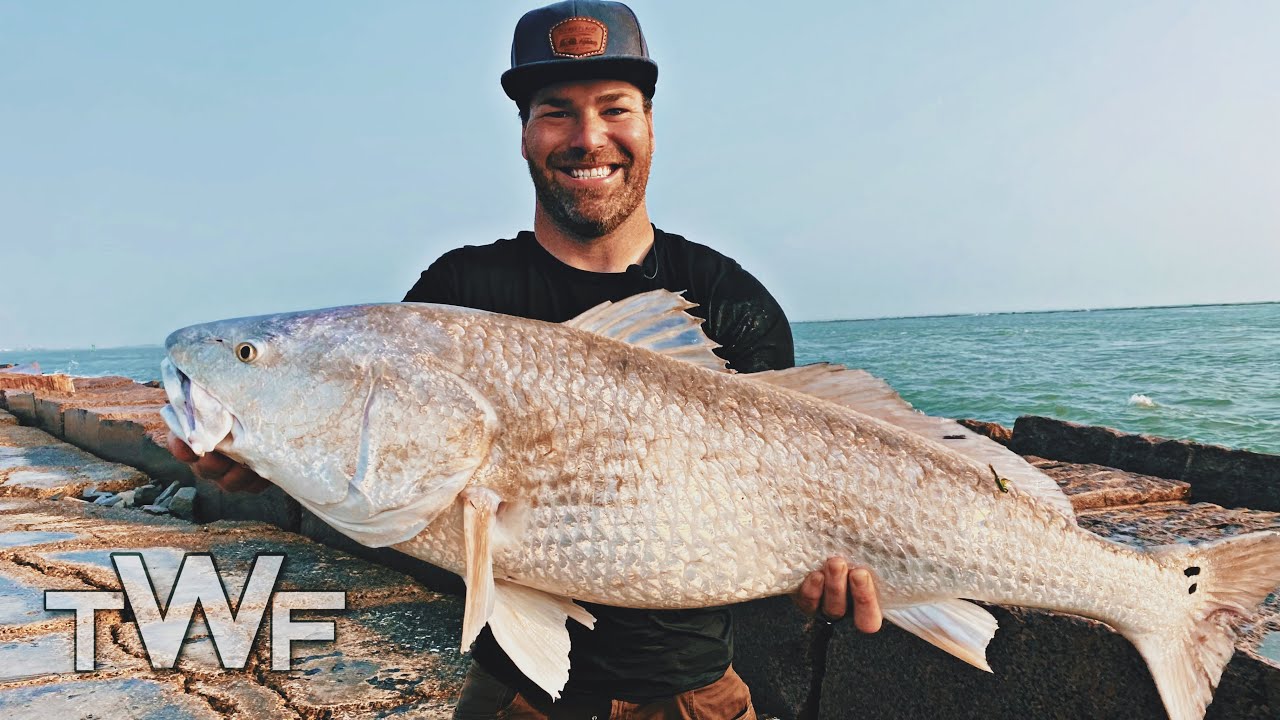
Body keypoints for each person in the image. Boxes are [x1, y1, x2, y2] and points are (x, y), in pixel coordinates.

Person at [168, 2, 882, 717]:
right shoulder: (455, 295)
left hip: (695, 696)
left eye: (614, 108)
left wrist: (833, 571)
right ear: (524, 134)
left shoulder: (731, 301)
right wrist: (272, 461)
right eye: (556, 111)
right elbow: (389, 476)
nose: (588, 136)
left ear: (650, 125)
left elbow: (798, 504)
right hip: (514, 695)